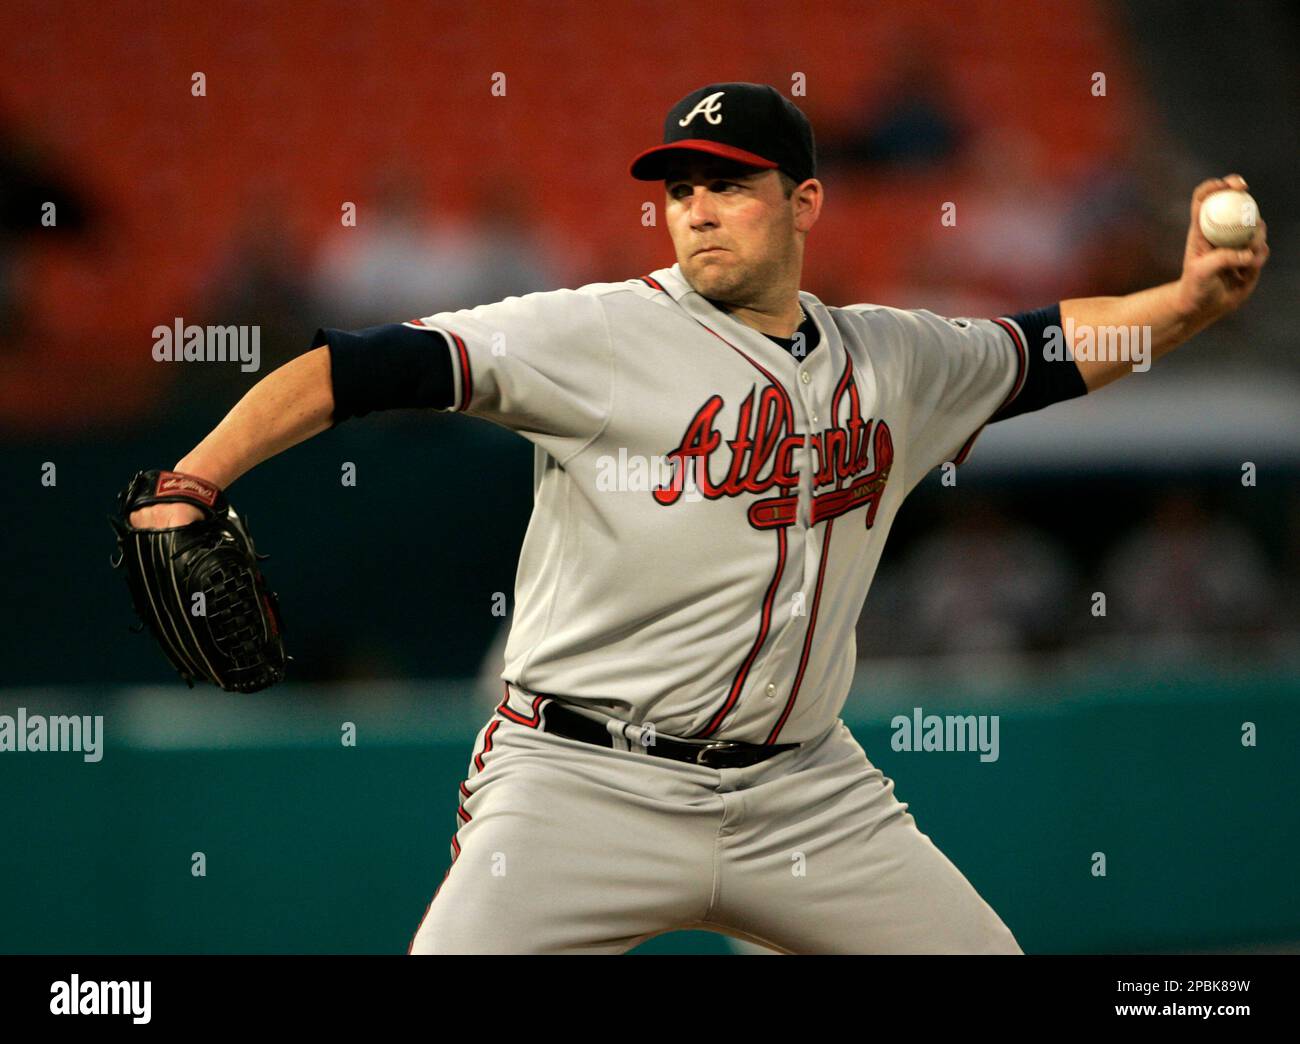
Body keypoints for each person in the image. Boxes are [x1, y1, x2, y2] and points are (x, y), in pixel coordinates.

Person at [129, 83, 1268, 953]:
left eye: (728, 185)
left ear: (804, 201)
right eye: (679, 190)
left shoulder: (898, 357)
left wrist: (1183, 302)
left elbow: (1053, 348)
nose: (697, 213)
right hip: (582, 779)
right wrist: (193, 477)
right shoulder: (588, 333)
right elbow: (354, 370)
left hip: (804, 792)